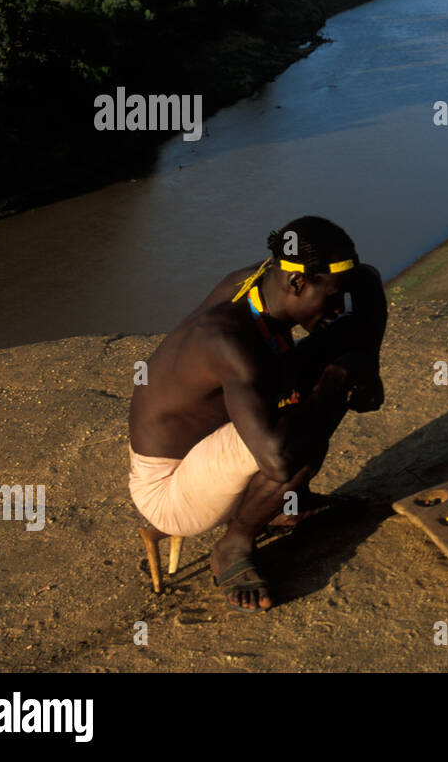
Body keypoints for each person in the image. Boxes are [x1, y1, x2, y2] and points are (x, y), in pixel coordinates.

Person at [128, 216, 386, 611]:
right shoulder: (227, 337)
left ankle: (289, 506)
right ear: (298, 283)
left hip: (217, 443)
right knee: (295, 436)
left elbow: (366, 281)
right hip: (170, 487)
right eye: (331, 297)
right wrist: (335, 383)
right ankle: (235, 544)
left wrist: (368, 367)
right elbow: (278, 459)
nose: (337, 307)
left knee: (341, 351)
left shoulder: (266, 279)